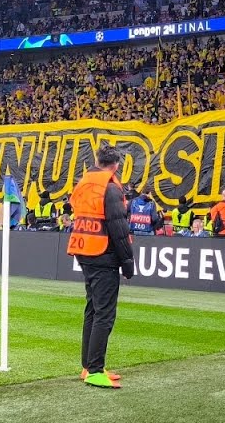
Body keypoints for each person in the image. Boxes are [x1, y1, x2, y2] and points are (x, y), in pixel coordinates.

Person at [66, 144, 133, 389]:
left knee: (93, 309)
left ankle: (89, 366)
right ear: (116, 165)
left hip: (83, 247)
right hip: (103, 252)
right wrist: (128, 262)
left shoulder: (84, 181)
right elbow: (119, 227)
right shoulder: (111, 187)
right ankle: (94, 370)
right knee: (104, 313)